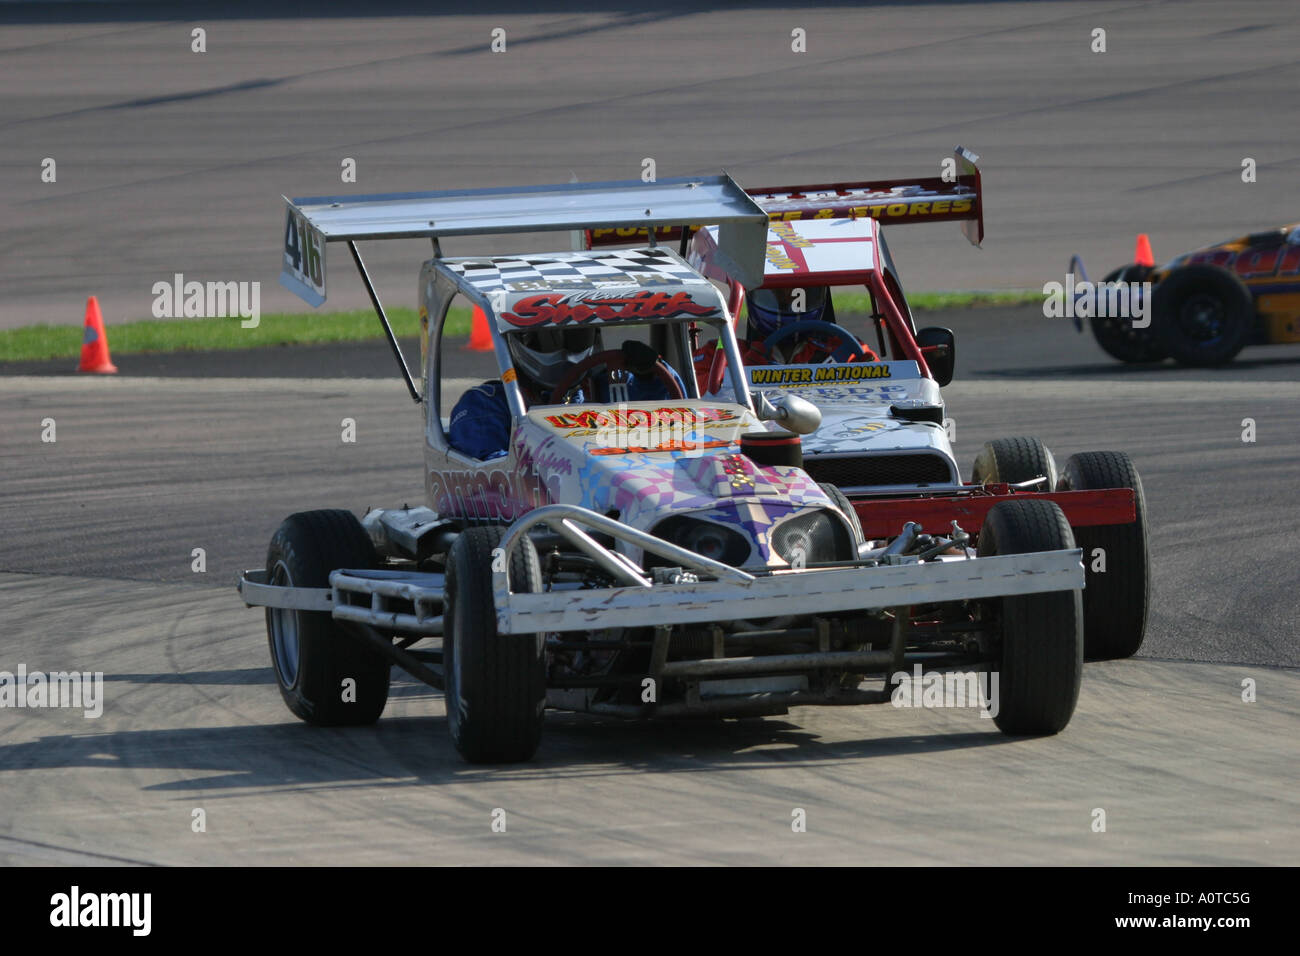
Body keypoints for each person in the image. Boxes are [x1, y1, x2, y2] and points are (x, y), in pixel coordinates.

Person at [448, 330, 684, 460]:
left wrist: (648, 372)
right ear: (523, 340)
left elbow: (678, 408)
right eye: (550, 338)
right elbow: (491, 471)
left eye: (575, 336)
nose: (564, 349)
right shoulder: (488, 404)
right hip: (540, 517)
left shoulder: (611, 386)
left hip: (623, 501)